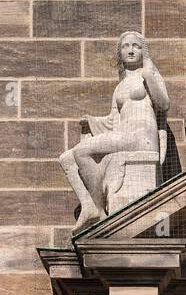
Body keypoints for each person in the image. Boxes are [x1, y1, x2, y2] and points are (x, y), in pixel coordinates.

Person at [59, 31, 169, 228]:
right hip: (125, 136)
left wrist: (148, 77)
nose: (131, 50)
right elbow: (112, 122)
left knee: (82, 151)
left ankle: (97, 208)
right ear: (120, 53)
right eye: (125, 46)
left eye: (136, 46)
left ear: (144, 51)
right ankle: (89, 204)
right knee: (67, 158)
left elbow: (163, 104)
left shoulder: (150, 74)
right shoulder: (120, 87)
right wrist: (92, 121)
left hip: (142, 136)